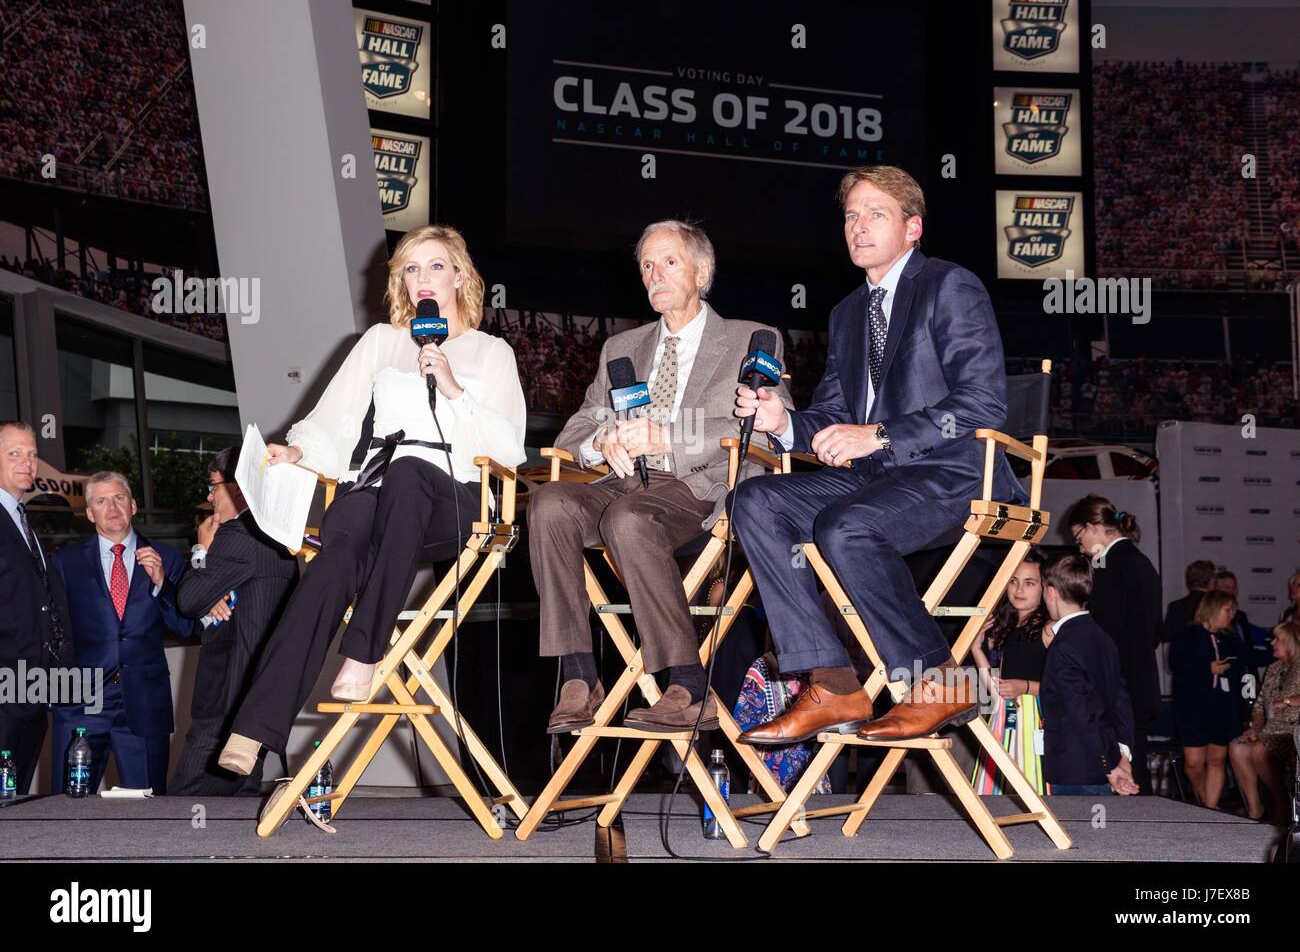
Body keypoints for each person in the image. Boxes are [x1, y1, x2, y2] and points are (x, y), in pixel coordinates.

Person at [732, 165, 1027, 745]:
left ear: (912, 227)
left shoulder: (950, 285)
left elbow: (983, 402)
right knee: (754, 500)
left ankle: (936, 681)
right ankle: (833, 680)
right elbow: (832, 415)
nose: (858, 227)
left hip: (953, 471)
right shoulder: (847, 314)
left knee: (846, 526)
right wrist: (784, 422)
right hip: (875, 477)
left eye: (876, 214)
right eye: (850, 216)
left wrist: (882, 434)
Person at [216, 224, 527, 775]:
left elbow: (510, 449)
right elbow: (330, 423)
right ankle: (253, 728)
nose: (422, 278)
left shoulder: (491, 352)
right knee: (334, 559)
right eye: (410, 269)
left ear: (459, 276)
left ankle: (363, 647)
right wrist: (297, 451)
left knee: (411, 469)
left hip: (456, 498)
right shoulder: (382, 342)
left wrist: (454, 389)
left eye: (434, 266)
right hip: (378, 486)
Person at [528, 219, 791, 732]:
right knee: (548, 504)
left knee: (629, 519)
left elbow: (763, 431)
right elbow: (572, 431)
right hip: (623, 485)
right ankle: (578, 674)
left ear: (702, 271)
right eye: (646, 264)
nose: (654, 274)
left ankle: (689, 683)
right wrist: (598, 440)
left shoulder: (750, 340)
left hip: (698, 487)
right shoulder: (620, 349)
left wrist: (666, 438)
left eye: (668, 261)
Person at [50, 471, 190, 794]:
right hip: (80, 703)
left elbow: (184, 624)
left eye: (119, 498)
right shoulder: (65, 562)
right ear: (89, 513)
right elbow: (55, 632)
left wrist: (161, 584)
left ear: (134, 505)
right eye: (101, 501)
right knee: (65, 808)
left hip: (143, 703)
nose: (112, 508)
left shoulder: (166, 558)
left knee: (146, 811)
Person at [170, 448, 298, 795]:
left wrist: (202, 549)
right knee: (239, 796)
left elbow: (187, 600)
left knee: (187, 799)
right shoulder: (277, 533)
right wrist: (214, 591)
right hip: (256, 690)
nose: (209, 496)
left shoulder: (238, 534)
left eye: (214, 486)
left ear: (239, 486)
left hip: (226, 691)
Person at [1067, 495, 1162, 793]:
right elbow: (1153, 632)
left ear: (1093, 527)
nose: (1079, 547)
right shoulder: (1142, 562)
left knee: (1119, 768)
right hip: (1141, 681)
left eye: (1078, 537)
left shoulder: (1107, 566)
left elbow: (1103, 633)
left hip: (1116, 686)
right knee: (1135, 763)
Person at [0, 421, 74, 793]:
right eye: (14, 453)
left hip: (31, 685)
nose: (27, 462)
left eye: (32, 454)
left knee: (14, 796)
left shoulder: (21, 518)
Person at [1039, 554, 1139, 797]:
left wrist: (1110, 766)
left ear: (1051, 592)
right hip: (1103, 759)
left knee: (1076, 833)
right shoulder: (1103, 638)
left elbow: (1079, 713)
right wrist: (1122, 755)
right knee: (1098, 831)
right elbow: (1121, 700)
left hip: (1076, 767)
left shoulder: (1063, 646)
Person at [970, 550, 1050, 795]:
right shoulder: (1005, 626)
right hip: (1002, 716)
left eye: (1029, 583)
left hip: (1036, 719)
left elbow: (1067, 686)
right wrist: (975, 648)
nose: (1019, 590)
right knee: (993, 790)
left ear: (1045, 587)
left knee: (1032, 785)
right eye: (1013, 581)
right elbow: (996, 689)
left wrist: (1026, 686)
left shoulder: (1050, 629)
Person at [1170, 590, 1249, 810]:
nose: (1230, 616)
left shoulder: (1230, 640)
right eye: (1227, 611)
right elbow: (1177, 667)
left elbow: (1246, 662)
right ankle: (1206, 803)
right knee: (1193, 764)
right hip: (1193, 708)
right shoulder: (1187, 636)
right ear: (1213, 609)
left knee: (1216, 760)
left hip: (1222, 707)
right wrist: (1207, 669)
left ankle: (1210, 810)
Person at [1230, 620, 1300, 823]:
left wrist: (1286, 701)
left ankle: (1283, 803)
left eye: (1277, 639)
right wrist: (1256, 727)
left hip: (1291, 731)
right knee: (1237, 747)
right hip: (1269, 730)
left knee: (1260, 750)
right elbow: (1259, 705)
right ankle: (1255, 808)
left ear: (1290, 642)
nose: (1272, 643)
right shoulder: (1273, 668)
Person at [1160, 559, 1214, 644]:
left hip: (1181, 655)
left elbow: (1166, 635)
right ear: (1211, 581)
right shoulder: (1214, 606)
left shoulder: (1175, 606)